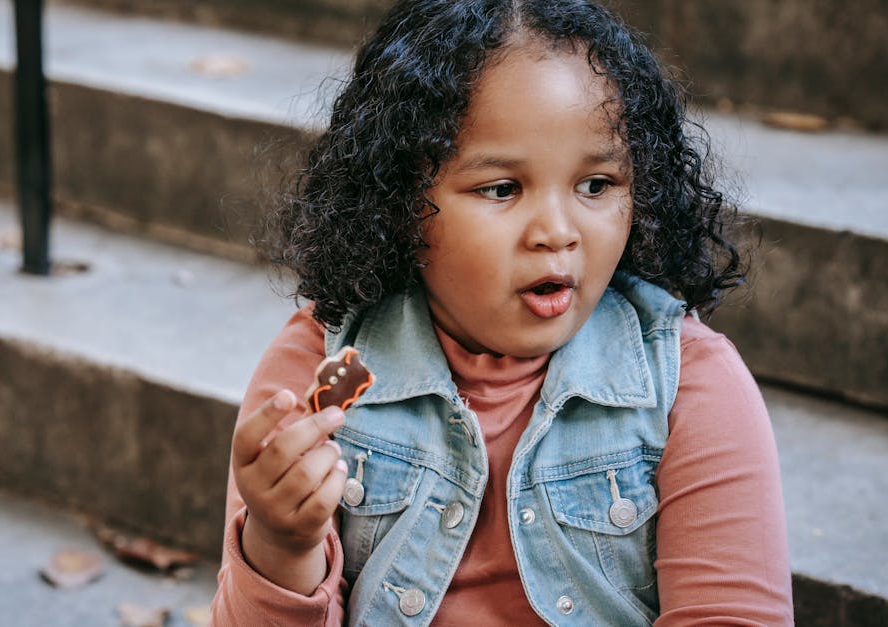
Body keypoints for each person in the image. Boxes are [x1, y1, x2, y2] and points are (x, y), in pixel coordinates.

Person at [211, 0, 793, 624]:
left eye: (596, 185)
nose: (557, 232)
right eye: (502, 189)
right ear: (400, 201)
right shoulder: (324, 370)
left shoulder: (689, 385)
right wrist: (279, 544)